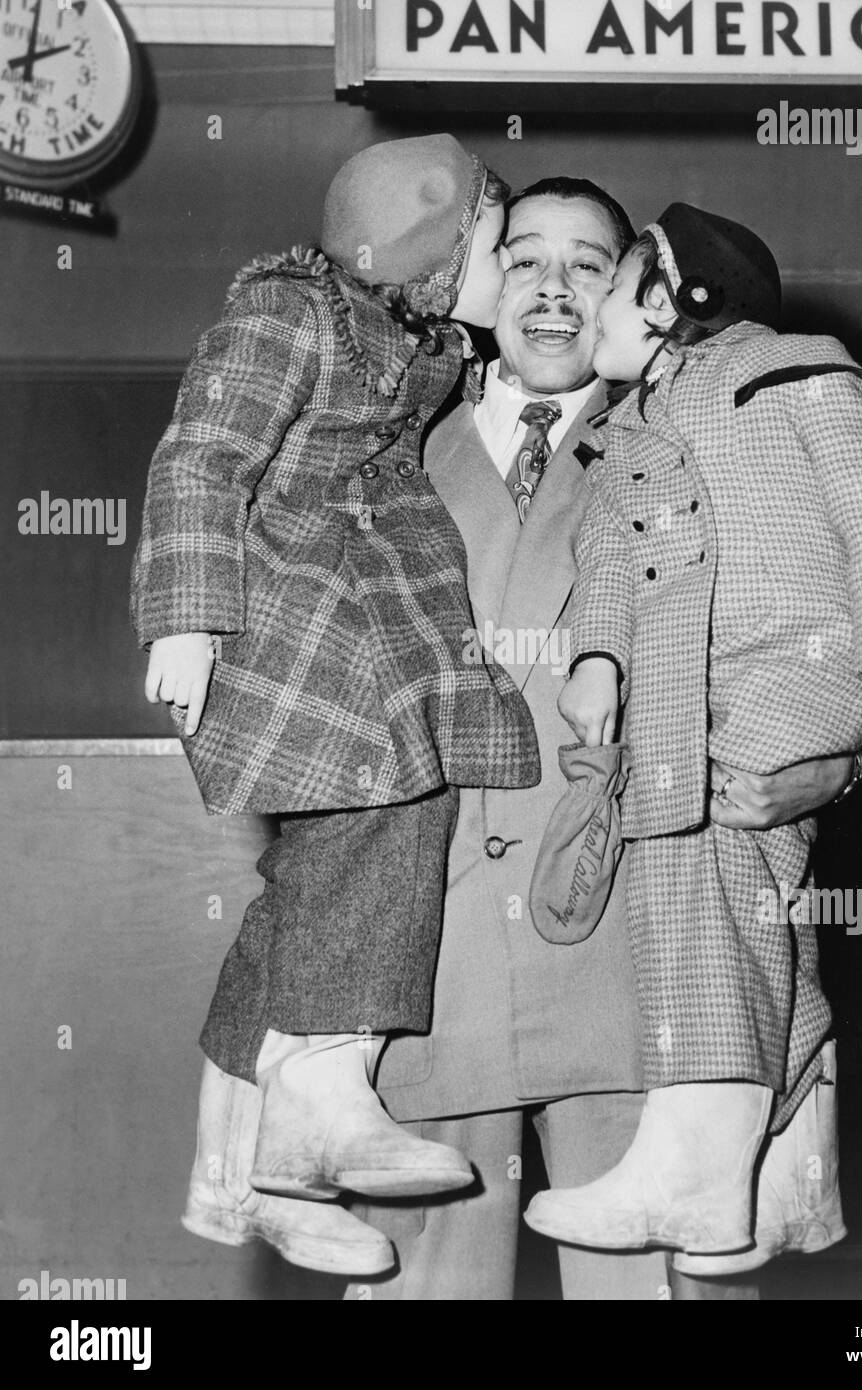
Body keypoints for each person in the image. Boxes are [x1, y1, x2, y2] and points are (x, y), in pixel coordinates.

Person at [350, 181, 862, 1299]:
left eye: (587, 263)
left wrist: (842, 759)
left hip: (650, 983)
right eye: (522, 256)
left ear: (644, 289)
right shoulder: (384, 436)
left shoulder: (717, 417)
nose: (550, 285)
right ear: (478, 284)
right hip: (425, 973)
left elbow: (852, 609)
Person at [130, 135, 540, 1277]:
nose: (513, 269)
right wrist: (184, 617)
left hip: (373, 609)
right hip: (291, 613)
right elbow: (199, 455)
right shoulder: (286, 311)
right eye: (501, 244)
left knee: (311, 885)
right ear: (438, 248)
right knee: (387, 809)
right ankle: (323, 1092)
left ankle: (254, 1173)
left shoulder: (425, 336)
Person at [524, 203, 862, 1262]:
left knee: (710, 870)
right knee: (721, 894)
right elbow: (610, 565)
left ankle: (695, 1174)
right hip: (688, 692)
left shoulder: (790, 367)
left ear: (673, 300)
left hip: (798, 660)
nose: (590, 312)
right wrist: (592, 657)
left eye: (611, 281)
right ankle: (784, 1178)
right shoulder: (620, 430)